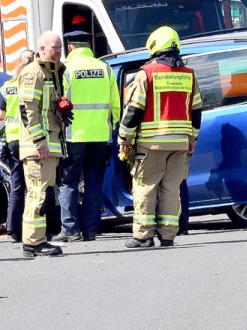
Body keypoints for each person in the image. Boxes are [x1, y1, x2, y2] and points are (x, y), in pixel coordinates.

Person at [118, 27, 202, 247]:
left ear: (154, 46)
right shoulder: (189, 74)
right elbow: (196, 111)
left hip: (151, 143)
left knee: (145, 187)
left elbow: (134, 109)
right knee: (171, 190)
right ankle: (168, 235)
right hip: (180, 143)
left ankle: (143, 236)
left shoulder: (146, 73)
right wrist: (192, 139)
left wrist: (124, 139)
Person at [56, 31, 119, 242]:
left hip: (73, 136)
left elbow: (58, 102)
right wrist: (112, 129)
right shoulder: (105, 68)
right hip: (100, 136)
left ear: (70, 47)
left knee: (69, 183)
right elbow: (116, 105)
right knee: (94, 183)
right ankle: (91, 229)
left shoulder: (65, 69)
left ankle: (70, 230)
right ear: (89, 45)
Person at [18, 32, 66, 257]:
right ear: (42, 48)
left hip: (49, 145)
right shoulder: (33, 72)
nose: (58, 51)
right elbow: (27, 111)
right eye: (54, 47)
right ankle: (33, 243)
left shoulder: (52, 71)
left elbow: (45, 108)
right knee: (37, 194)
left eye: (60, 47)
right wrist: (39, 142)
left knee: (42, 195)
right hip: (39, 147)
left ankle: (37, 240)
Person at [0, 50, 36, 243]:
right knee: (34, 185)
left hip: (12, 140)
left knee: (17, 184)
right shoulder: (31, 84)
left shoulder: (7, 87)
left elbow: (2, 115)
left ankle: (13, 227)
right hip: (29, 138)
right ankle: (32, 227)